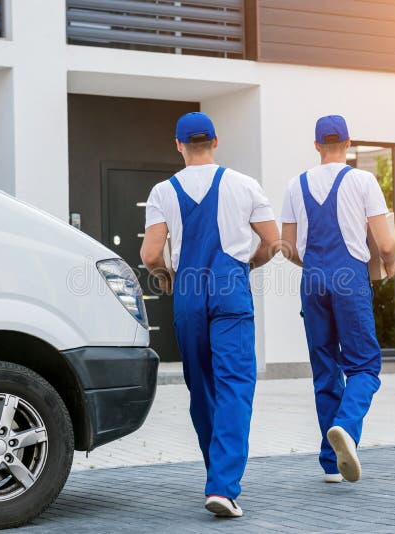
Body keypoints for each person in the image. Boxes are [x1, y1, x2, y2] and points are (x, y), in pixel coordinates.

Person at [140, 112, 279, 517]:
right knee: (235, 386)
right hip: (230, 289)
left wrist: (164, 274)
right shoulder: (244, 184)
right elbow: (274, 242)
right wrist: (248, 264)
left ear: (179, 145)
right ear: (216, 141)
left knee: (201, 387)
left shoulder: (163, 190)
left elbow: (150, 254)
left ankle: (215, 476)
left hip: (187, 293)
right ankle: (222, 484)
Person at [280, 115, 395, 483]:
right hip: (350, 279)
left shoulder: (295, 185)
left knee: (325, 368)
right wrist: (390, 265)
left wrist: (314, 266)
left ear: (316, 145)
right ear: (349, 143)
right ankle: (346, 426)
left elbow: (287, 248)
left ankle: (331, 465)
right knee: (364, 365)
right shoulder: (363, 180)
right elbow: (386, 243)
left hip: (312, 279)